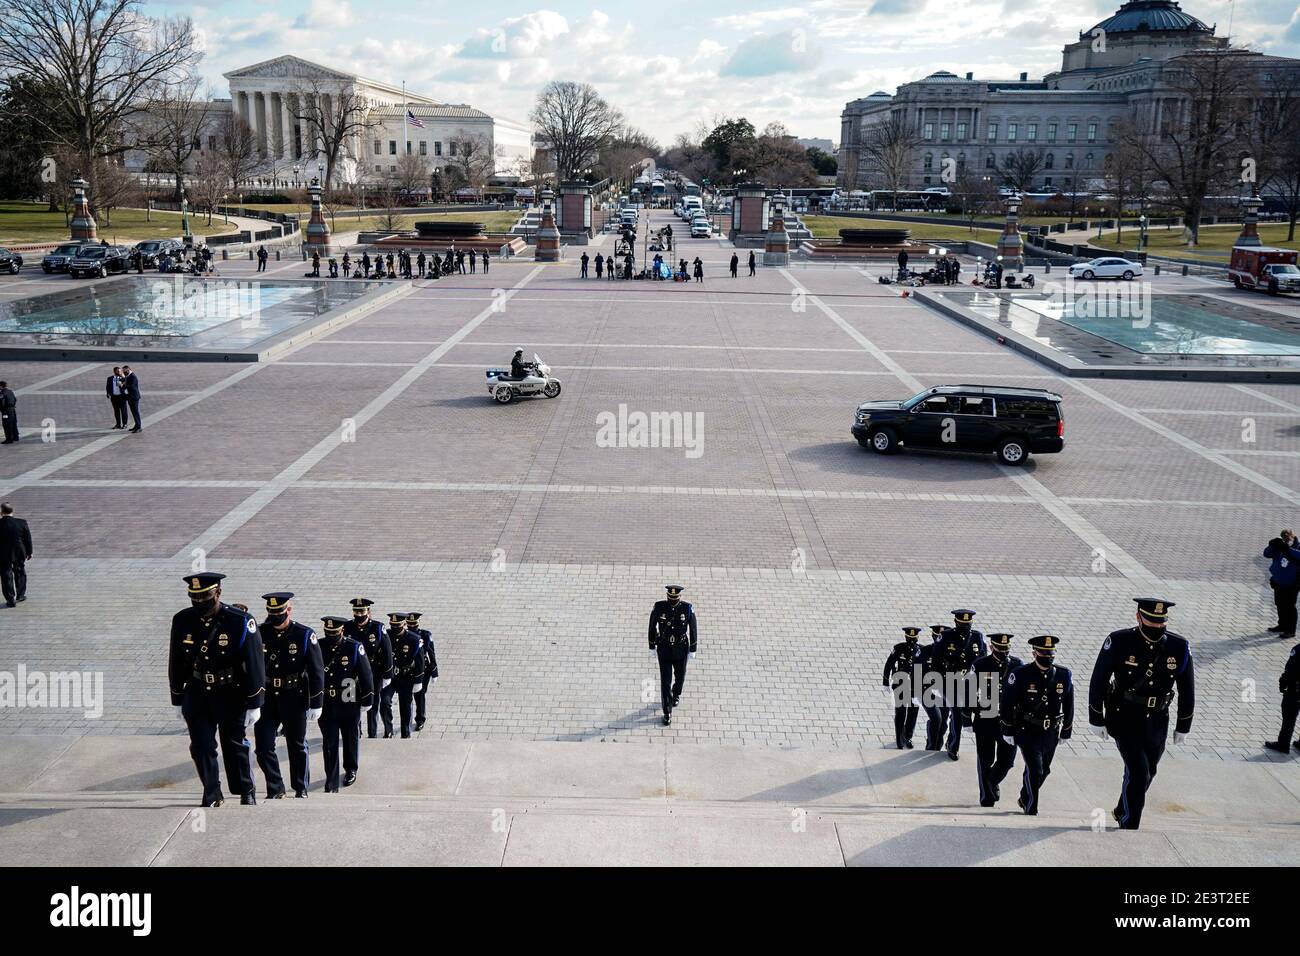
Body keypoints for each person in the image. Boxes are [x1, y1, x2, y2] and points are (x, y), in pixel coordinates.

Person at [1088, 598, 1194, 830]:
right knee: (1138, 771)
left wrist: (1183, 724)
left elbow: (1187, 688)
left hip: (1157, 719)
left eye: (1161, 622)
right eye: (1151, 621)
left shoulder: (1178, 646)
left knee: (1149, 772)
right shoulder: (1119, 641)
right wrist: (1096, 718)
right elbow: (1099, 679)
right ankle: (1129, 824)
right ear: (1138, 618)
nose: (1156, 626)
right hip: (1124, 715)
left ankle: (1121, 809)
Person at [168, 573, 265, 807]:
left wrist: (255, 702)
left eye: (206, 597)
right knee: (201, 745)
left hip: (231, 691)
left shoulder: (239, 621)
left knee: (235, 745)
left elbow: (254, 663)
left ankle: (246, 789)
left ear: (218, 593)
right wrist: (177, 697)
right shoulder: (182, 620)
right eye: (195, 597)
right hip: (198, 691)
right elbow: (176, 659)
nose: (200, 602)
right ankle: (211, 791)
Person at [253, 592, 324, 799]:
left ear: (289, 610)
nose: (276, 616)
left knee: (296, 745)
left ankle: (300, 787)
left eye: (280, 612)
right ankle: (276, 787)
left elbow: (316, 670)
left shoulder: (303, 634)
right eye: (272, 613)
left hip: (294, 696)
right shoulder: (260, 632)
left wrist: (316, 702)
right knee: (264, 747)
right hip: (267, 699)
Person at [1000, 635, 1072, 815]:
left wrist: (1066, 730)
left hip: (1050, 731)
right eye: (1043, 653)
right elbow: (1007, 703)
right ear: (1034, 653)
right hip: (1027, 730)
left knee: (1045, 770)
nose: (1048, 657)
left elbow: (1069, 703)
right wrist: (1007, 729)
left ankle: (1025, 796)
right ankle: (1031, 808)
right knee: (1035, 770)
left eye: (1051, 653)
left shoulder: (1063, 674)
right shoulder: (1020, 674)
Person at [317, 615, 373, 792]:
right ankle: (331, 778)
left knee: (350, 738)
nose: (331, 636)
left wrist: (367, 699)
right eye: (328, 633)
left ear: (342, 631)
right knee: (329, 742)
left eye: (335, 633)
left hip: (348, 699)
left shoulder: (354, 647)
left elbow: (366, 674)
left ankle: (350, 769)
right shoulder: (319, 646)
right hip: (327, 701)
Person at [972, 633, 1022, 806]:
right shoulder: (980, 665)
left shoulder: (1017, 665)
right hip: (985, 719)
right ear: (992, 647)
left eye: (1006, 649)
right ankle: (986, 797)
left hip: (1008, 721)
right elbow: (969, 691)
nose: (1003, 652)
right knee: (985, 760)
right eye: (1000, 649)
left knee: (1007, 761)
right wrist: (966, 718)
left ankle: (992, 782)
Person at [933, 608, 986, 759]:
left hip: (969, 682)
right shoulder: (945, 636)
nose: (966, 627)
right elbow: (936, 660)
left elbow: (983, 659)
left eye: (968, 624)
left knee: (961, 714)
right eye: (962, 624)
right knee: (957, 713)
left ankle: (951, 740)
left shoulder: (977, 637)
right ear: (956, 622)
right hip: (950, 681)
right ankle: (953, 747)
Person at [343, 598, 393, 739]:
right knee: (350, 704)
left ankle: (372, 734)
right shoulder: (347, 627)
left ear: (368, 612)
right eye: (356, 611)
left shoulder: (377, 628)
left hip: (373, 674)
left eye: (362, 611)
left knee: (372, 705)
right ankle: (354, 733)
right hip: (351, 675)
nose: (359, 615)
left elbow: (387, 652)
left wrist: (387, 674)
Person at [649, 584, 697, 725]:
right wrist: (652, 645)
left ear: (679, 597)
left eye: (675, 598)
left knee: (680, 676)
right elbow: (652, 626)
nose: (672, 600)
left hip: (681, 648)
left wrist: (693, 649)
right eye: (670, 598)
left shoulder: (687, 609)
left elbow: (693, 628)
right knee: (665, 681)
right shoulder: (659, 607)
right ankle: (667, 711)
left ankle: (676, 693)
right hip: (664, 648)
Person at [882, 627, 922, 749]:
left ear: (917, 638)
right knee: (900, 712)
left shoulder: (921, 650)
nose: (911, 641)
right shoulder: (899, 648)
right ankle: (899, 739)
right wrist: (885, 682)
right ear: (905, 637)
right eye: (909, 639)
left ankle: (908, 737)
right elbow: (889, 664)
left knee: (913, 712)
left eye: (913, 639)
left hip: (915, 686)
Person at [387, 612, 424, 738]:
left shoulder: (414, 639)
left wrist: (418, 680)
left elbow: (420, 661)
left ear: (404, 624)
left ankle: (405, 733)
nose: (395, 627)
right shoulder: (386, 636)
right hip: (391, 677)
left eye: (398, 625)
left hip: (406, 676)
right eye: (392, 625)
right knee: (384, 702)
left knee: (405, 706)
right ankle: (388, 730)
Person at [1265, 639, 1300, 754]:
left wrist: (1283, 682)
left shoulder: (1298, 650)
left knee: (1289, 717)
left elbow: (1291, 670)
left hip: (1295, 690)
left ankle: (1283, 744)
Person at [1264, 531, 1300, 638]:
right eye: (1284, 538)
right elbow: (1266, 554)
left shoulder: (1298, 547)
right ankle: (1282, 625)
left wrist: (1287, 549)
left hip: (1292, 584)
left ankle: (1291, 630)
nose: (1286, 540)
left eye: (1288, 538)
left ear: (1293, 537)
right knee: (1280, 604)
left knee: (1290, 606)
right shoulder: (1279, 547)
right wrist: (1272, 545)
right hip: (1278, 582)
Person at [408, 611, 438, 731]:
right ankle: (407, 719)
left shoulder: (425, 635)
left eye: (414, 623)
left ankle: (420, 719)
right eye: (409, 623)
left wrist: (435, 671)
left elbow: (431, 653)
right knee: (407, 697)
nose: (412, 626)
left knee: (420, 695)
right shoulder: (403, 635)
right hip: (408, 670)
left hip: (423, 670)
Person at [919, 624, 947, 749]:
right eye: (936, 636)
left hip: (946, 693)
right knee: (937, 719)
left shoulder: (951, 654)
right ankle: (931, 746)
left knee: (943, 724)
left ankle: (937, 745)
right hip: (927, 692)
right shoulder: (925, 652)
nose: (938, 640)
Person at [0, 502, 32, 608]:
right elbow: (27, 538)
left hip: (3, 552)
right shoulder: (22, 522)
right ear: (12, 511)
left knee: (6, 575)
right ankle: (20, 595)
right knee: (20, 571)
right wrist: (29, 551)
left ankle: (10, 599)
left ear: (1, 512)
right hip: (19, 551)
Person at [120, 366, 142, 433]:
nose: (123, 372)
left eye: (124, 371)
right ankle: (136, 425)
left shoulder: (133, 377)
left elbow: (132, 386)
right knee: (133, 412)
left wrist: (123, 385)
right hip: (130, 397)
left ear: (128, 369)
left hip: (134, 397)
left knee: (135, 412)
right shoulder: (128, 376)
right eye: (123, 371)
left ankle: (139, 427)